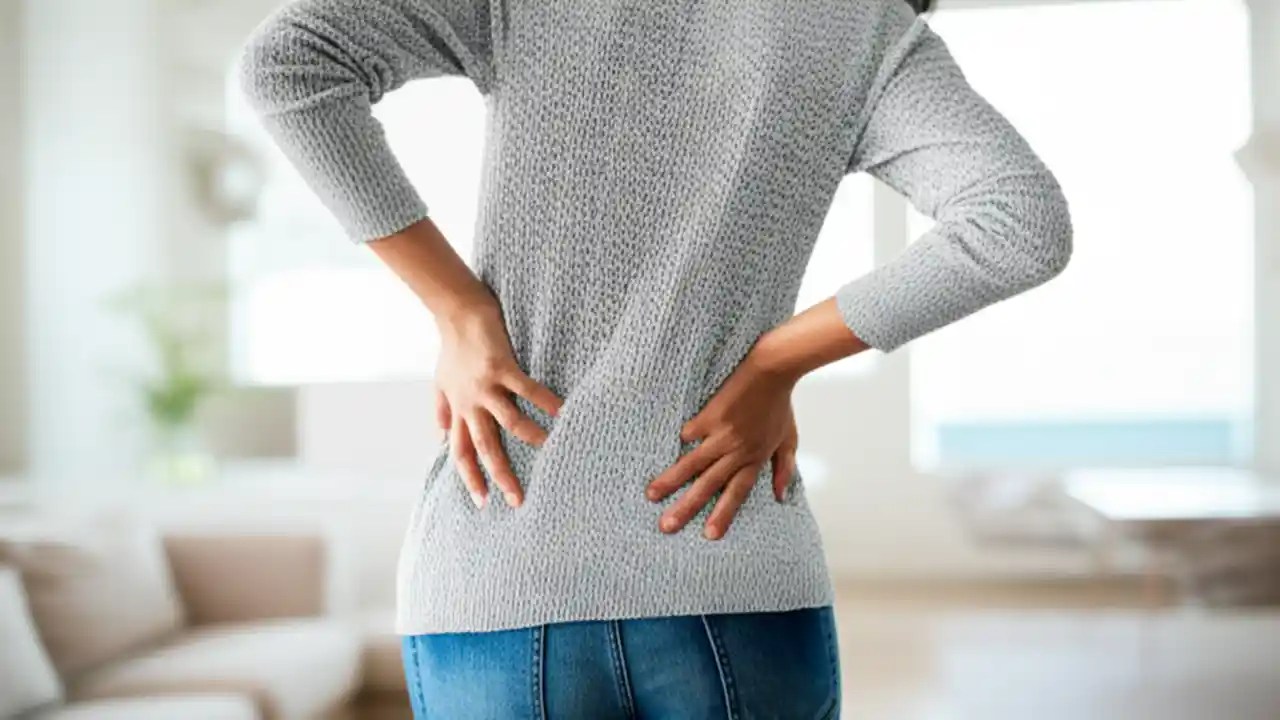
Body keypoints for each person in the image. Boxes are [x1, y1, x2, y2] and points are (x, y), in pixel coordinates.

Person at [237, 0, 1071, 715]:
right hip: (728, 564)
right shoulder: (864, 27)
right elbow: (1020, 221)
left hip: (497, 569)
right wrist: (774, 363)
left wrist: (458, 309)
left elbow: (288, 64)